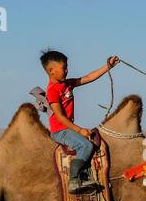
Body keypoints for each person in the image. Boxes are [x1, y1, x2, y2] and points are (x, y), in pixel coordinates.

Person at [40, 50, 119, 192]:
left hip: (67, 129)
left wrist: (108, 66)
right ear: (51, 71)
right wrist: (80, 130)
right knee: (86, 146)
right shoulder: (52, 91)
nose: (66, 71)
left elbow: (88, 77)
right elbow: (60, 117)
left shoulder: (67, 84)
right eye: (63, 68)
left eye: (66, 67)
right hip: (60, 131)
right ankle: (74, 181)